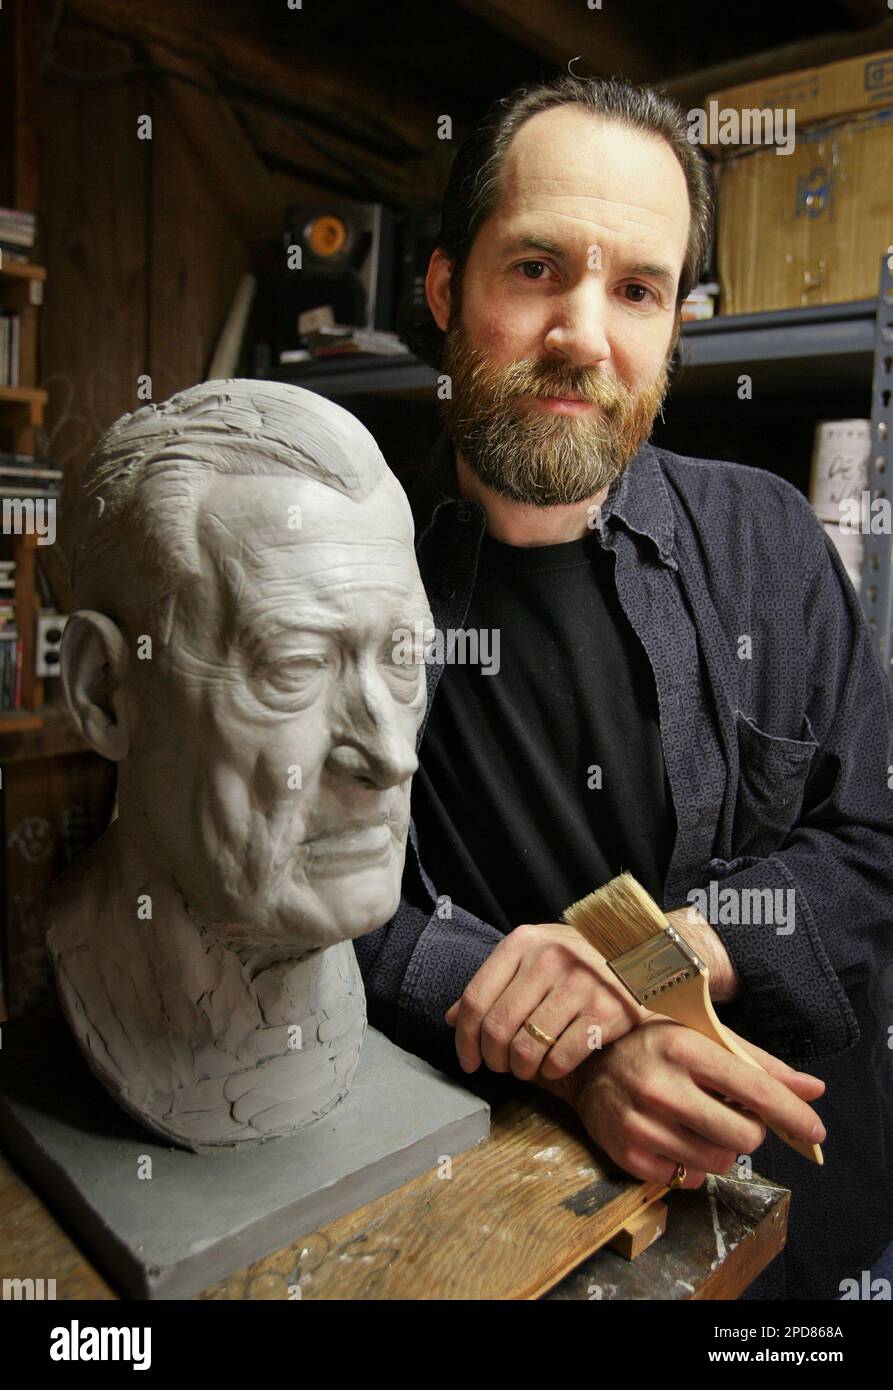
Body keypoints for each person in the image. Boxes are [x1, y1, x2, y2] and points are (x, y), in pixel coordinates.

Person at [354, 75, 893, 1301]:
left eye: (637, 290)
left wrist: (655, 960)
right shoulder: (353, 581)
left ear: (673, 326)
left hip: (804, 1221)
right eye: (535, 268)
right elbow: (315, 909)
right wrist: (566, 1043)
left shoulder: (767, 541)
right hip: (503, 1220)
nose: (582, 336)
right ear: (444, 288)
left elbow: (872, 845)